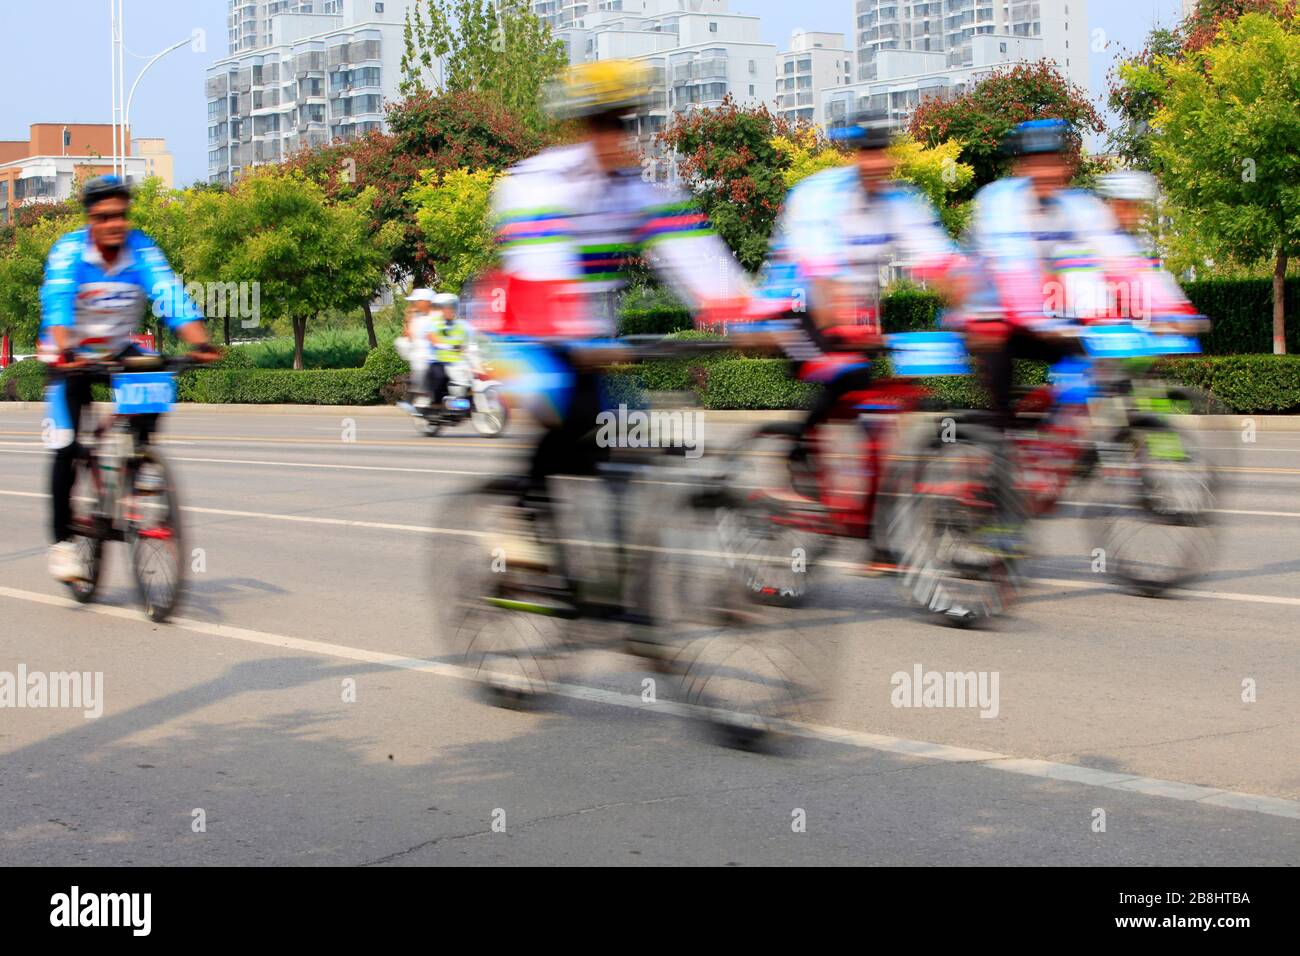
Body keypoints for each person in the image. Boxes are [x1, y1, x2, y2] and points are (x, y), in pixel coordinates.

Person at [488, 59, 750, 495]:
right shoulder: (535, 184)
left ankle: (610, 525)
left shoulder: (634, 190)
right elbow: (543, 274)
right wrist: (584, 340)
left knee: (633, 434)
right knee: (580, 419)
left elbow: (695, 252)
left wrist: (748, 317)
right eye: (601, 124)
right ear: (580, 128)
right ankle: (528, 507)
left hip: (590, 346)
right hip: (525, 343)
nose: (614, 137)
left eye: (622, 124)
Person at [40, 174, 220, 582]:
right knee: (66, 446)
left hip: (116, 347)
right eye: (104, 217)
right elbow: (58, 305)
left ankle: (136, 464)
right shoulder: (69, 252)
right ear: (90, 219)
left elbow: (170, 295)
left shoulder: (141, 248)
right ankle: (62, 544)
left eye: (120, 215)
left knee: (155, 376)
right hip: (68, 353)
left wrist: (200, 341)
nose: (114, 224)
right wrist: (66, 350)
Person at [755, 112, 965, 460]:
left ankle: (864, 467)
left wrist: (971, 310)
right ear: (851, 156)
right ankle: (799, 453)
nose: (875, 162)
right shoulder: (820, 195)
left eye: (881, 152)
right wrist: (844, 325)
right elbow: (823, 276)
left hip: (848, 315)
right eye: (866, 153)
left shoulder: (898, 202)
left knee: (877, 395)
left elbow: (940, 260)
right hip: (796, 307)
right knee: (847, 375)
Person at [426, 292, 472, 410]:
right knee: (440, 376)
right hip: (440, 361)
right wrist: (444, 345)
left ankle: (467, 399)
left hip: (458, 361)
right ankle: (436, 403)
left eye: (452, 307)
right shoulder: (435, 323)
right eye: (446, 307)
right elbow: (432, 338)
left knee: (473, 375)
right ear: (441, 309)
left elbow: (471, 336)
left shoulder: (460, 324)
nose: (449, 310)